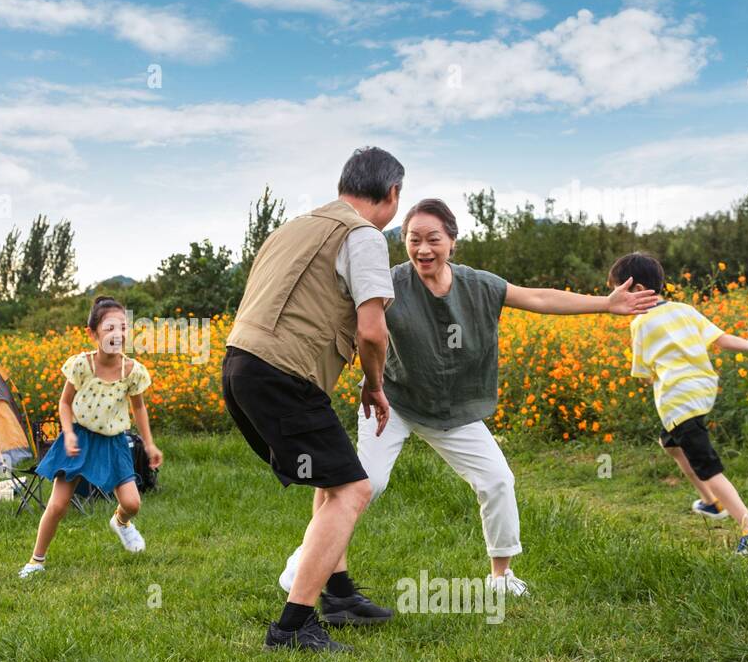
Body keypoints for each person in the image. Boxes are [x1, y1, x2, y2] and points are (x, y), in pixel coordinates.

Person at [277, 198, 660, 597]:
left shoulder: (478, 285)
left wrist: (606, 304)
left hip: (453, 409)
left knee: (497, 480)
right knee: (367, 483)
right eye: (413, 239)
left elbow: (539, 299)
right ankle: (303, 566)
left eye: (433, 239)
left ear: (452, 242)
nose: (423, 249)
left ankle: (501, 577)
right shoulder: (389, 284)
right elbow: (349, 321)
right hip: (393, 402)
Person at [223, 146, 400, 652]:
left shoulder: (294, 226)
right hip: (284, 374)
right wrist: (374, 384)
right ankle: (293, 626)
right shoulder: (363, 235)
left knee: (331, 477)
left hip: (241, 366)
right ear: (391, 194)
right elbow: (372, 331)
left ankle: (339, 595)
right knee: (353, 491)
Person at [610, 252, 748, 554]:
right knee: (671, 443)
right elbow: (721, 339)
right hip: (701, 390)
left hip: (678, 400)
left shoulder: (641, 323)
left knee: (706, 465)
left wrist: (653, 375)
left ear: (635, 290)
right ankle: (711, 503)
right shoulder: (684, 309)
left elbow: (643, 374)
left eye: (619, 291)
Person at [19, 296, 163, 578]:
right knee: (58, 505)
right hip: (79, 441)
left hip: (114, 443)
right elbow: (64, 403)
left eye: (123, 327)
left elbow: (139, 407)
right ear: (92, 332)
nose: (118, 334)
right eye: (110, 328)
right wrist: (69, 433)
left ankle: (121, 523)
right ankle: (36, 561)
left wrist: (149, 443)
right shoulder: (81, 365)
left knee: (133, 503)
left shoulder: (133, 371)